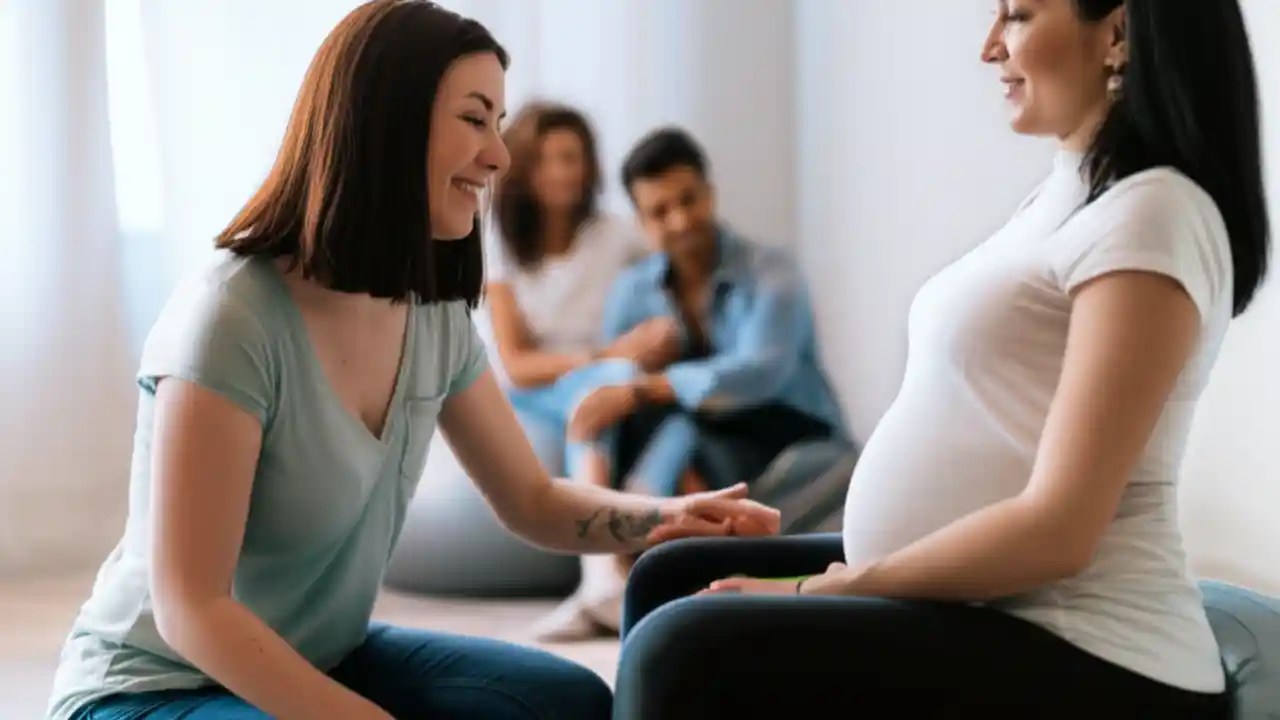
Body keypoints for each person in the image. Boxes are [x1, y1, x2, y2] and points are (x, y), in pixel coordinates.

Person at [44, 3, 780, 719]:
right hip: (151, 685)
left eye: (498, 124)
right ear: (386, 123)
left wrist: (667, 515)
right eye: (473, 119)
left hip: (322, 652)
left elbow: (532, 500)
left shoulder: (430, 314)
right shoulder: (229, 318)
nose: (499, 154)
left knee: (569, 701)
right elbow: (190, 609)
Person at [615, 1, 1269, 718]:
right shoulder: (1065, 195)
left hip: (1087, 646)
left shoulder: (1155, 214)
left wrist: (832, 585)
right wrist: (852, 561)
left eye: (1016, 16)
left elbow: (1061, 530)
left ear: (1117, 33)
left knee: (683, 647)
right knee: (669, 579)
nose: (990, 48)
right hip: (993, 607)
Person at [532, 127, 850, 641]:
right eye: (660, 212)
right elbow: (617, 384)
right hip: (691, 439)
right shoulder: (635, 289)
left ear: (710, 193)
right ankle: (602, 573)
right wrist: (623, 373)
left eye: (689, 201)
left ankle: (627, 562)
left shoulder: (771, 271)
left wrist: (647, 386)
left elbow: (757, 373)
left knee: (665, 411)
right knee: (607, 385)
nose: (680, 221)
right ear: (641, 221)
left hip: (781, 423)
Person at [484, 100, 671, 480]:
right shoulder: (500, 245)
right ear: (522, 169)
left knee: (611, 395)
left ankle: (601, 514)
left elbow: (677, 282)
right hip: (534, 394)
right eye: (543, 161)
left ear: (589, 166)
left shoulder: (618, 236)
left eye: (570, 158)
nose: (559, 172)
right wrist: (605, 356)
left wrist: (660, 334)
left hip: (608, 379)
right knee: (602, 387)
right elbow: (517, 365)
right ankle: (598, 513)